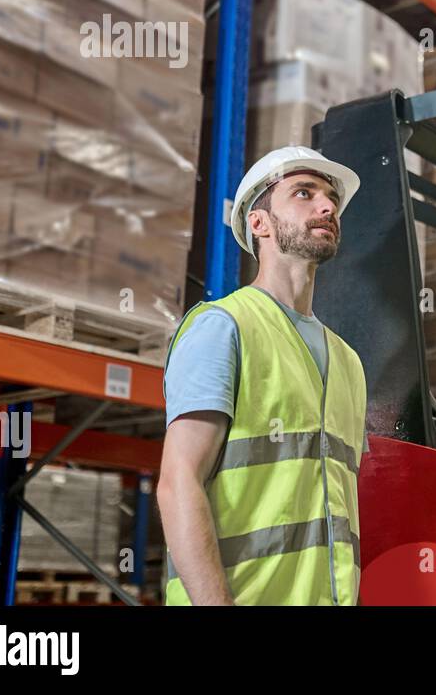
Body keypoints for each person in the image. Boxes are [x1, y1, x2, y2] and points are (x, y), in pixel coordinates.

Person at [156, 146, 367, 605]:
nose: (327, 207)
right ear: (260, 223)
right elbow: (178, 481)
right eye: (304, 194)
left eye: (330, 198)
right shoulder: (223, 326)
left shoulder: (348, 361)